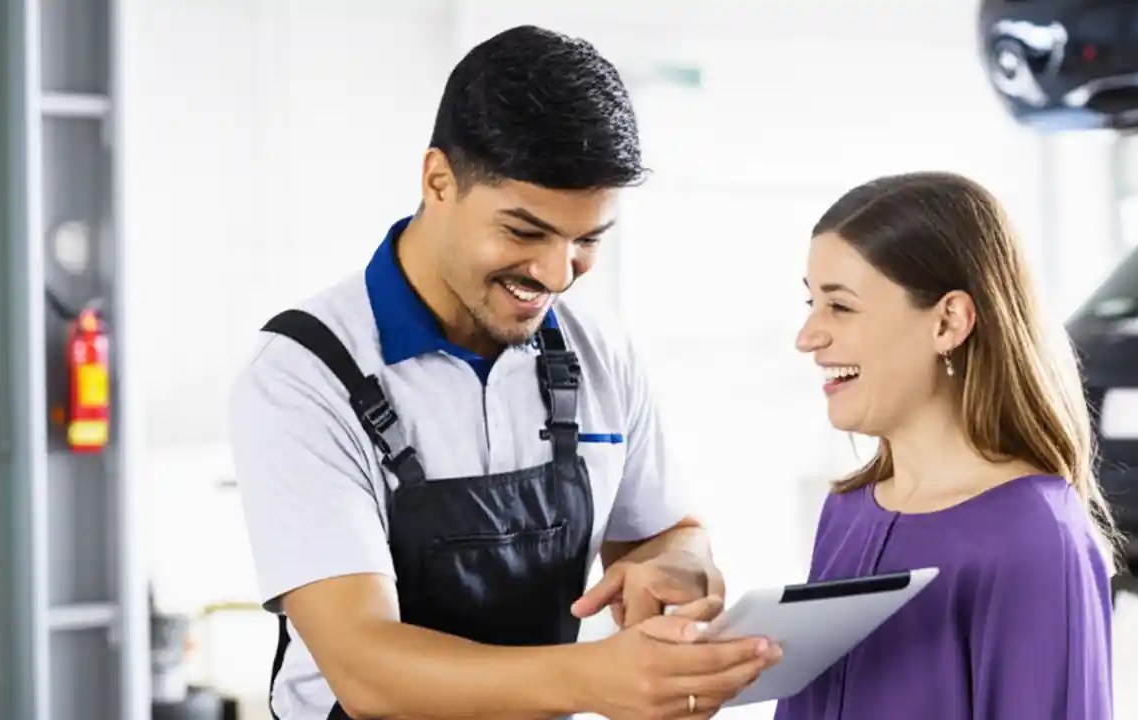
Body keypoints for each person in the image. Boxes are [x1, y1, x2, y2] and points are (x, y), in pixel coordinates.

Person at [228, 25, 780, 720]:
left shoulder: (598, 349)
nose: (555, 274)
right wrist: (594, 678)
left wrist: (678, 561)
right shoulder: (302, 377)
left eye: (586, 241)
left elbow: (664, 530)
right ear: (438, 182)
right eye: (524, 232)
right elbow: (365, 670)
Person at [776, 172, 1116, 719]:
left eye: (839, 306)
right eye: (811, 301)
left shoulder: (1035, 536)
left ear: (948, 321)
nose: (807, 335)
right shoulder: (845, 513)